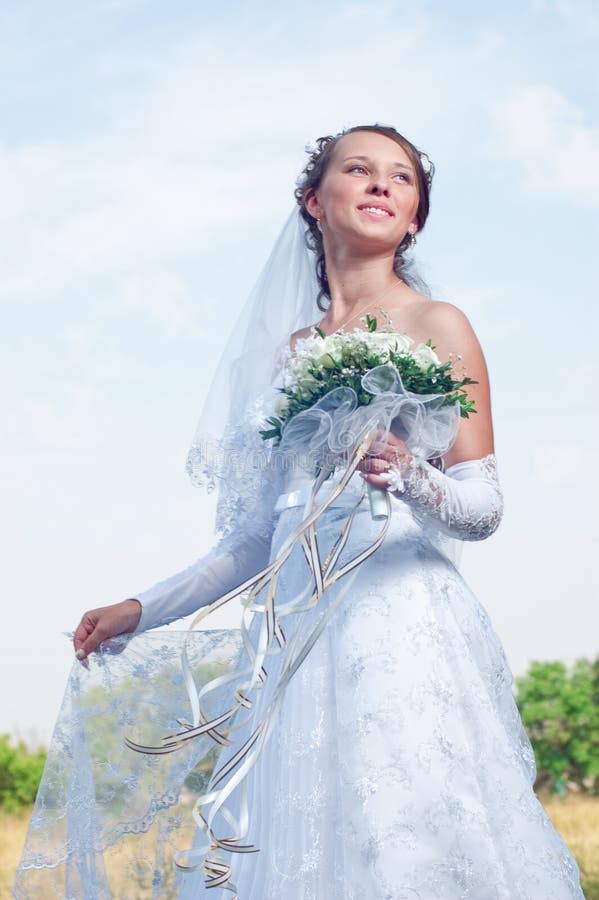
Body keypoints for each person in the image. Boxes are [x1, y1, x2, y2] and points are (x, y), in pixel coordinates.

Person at [14, 126, 585, 899]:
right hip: (290, 642)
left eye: (401, 178)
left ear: (414, 217)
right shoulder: (289, 355)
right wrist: (141, 609)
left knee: (405, 833)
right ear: (313, 200)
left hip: (399, 630)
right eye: (358, 168)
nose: (380, 184)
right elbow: (260, 535)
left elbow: (483, 508)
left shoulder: (438, 325)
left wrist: (410, 474)